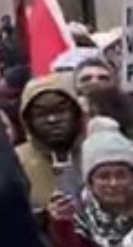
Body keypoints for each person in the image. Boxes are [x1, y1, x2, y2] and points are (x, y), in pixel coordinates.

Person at [49, 118, 133, 247]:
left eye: (121, 175)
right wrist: (63, 225)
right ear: (90, 182)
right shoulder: (79, 222)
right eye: (104, 176)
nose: (113, 183)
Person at [16, 74, 87, 211]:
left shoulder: (97, 152)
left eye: (61, 111)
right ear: (28, 120)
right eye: (41, 114)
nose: (52, 119)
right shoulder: (17, 162)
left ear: (76, 113)